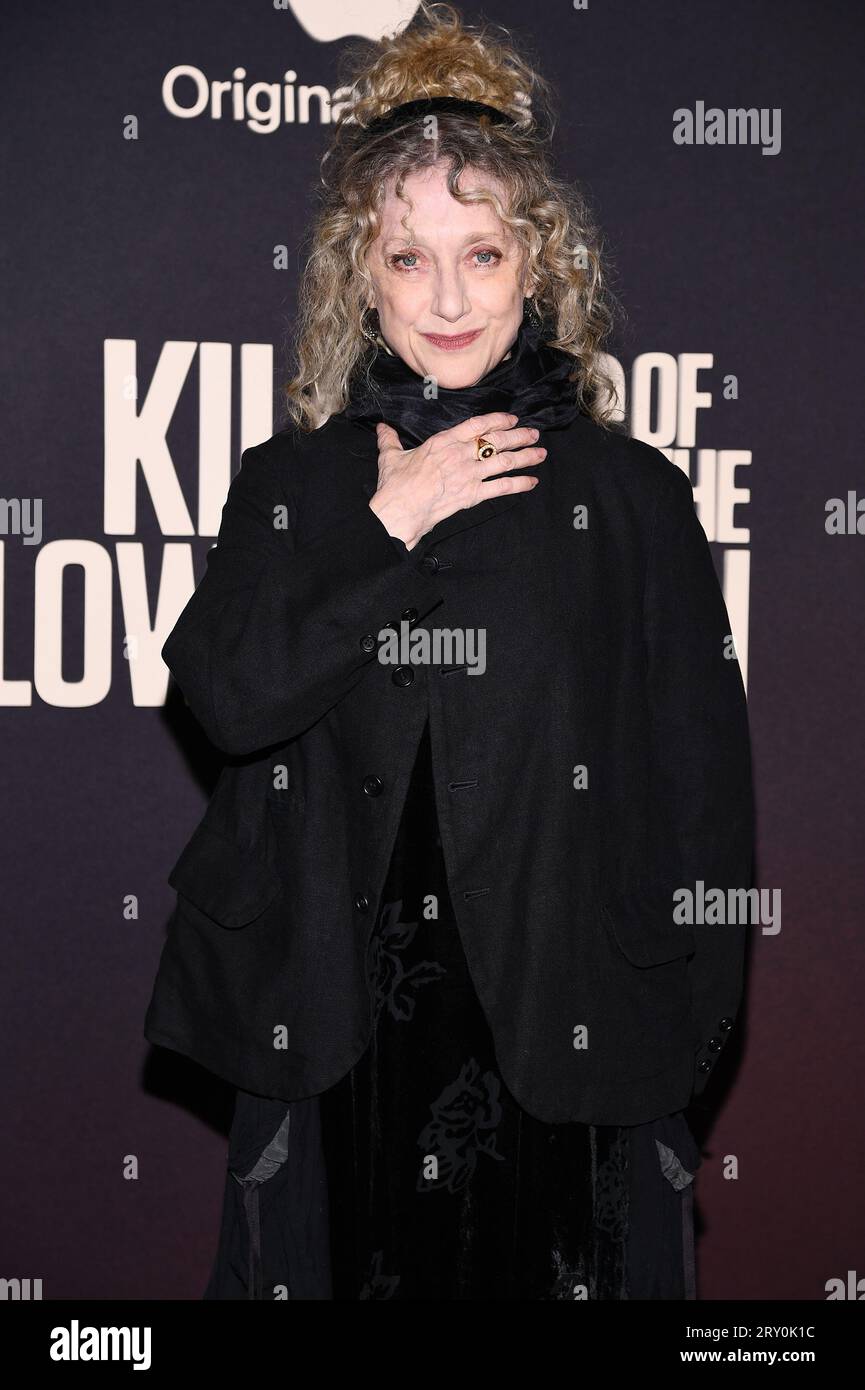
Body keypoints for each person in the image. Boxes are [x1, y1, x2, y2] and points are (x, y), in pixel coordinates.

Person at [144, 2, 754, 1301]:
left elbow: (706, 795)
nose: (446, 297)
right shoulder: (299, 485)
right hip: (340, 1057)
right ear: (357, 273)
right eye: (407, 259)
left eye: (478, 254)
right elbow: (225, 696)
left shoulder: (627, 493)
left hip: (573, 1057)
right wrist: (390, 520)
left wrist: (669, 1055)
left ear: (536, 263)